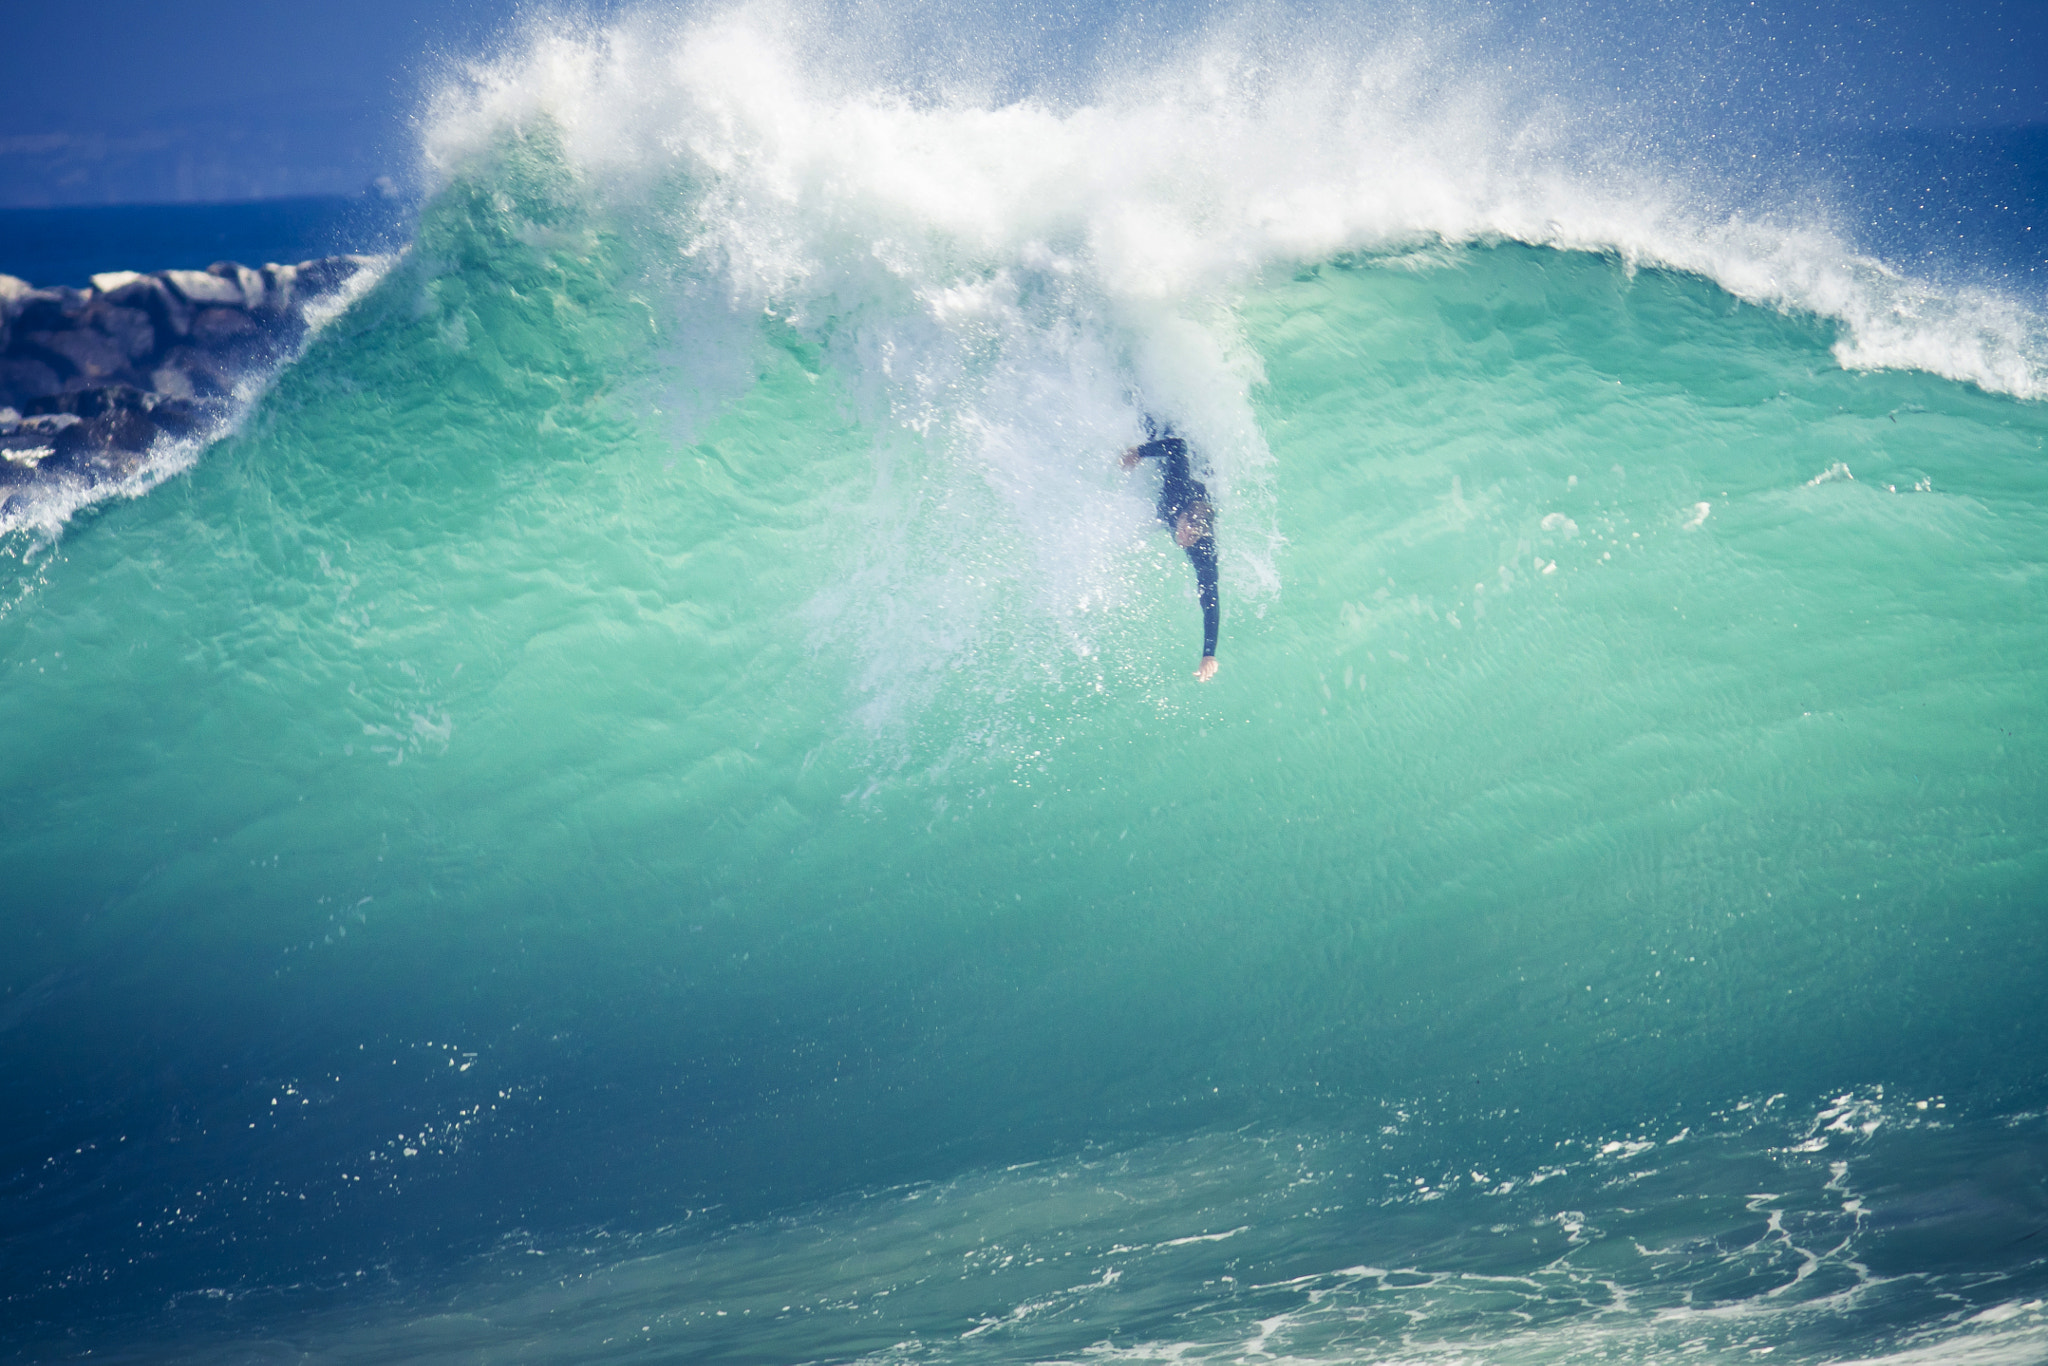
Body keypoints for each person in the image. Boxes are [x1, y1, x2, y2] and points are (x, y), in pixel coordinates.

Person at [1122, 421, 1220, 681]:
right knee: (1155, 427)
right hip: (1188, 473)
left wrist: (1208, 653)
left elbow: (1210, 598)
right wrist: (1139, 452)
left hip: (1202, 493)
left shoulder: (1202, 547)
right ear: (1183, 515)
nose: (1185, 540)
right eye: (1186, 531)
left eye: (1192, 537)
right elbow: (1178, 447)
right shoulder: (1178, 492)